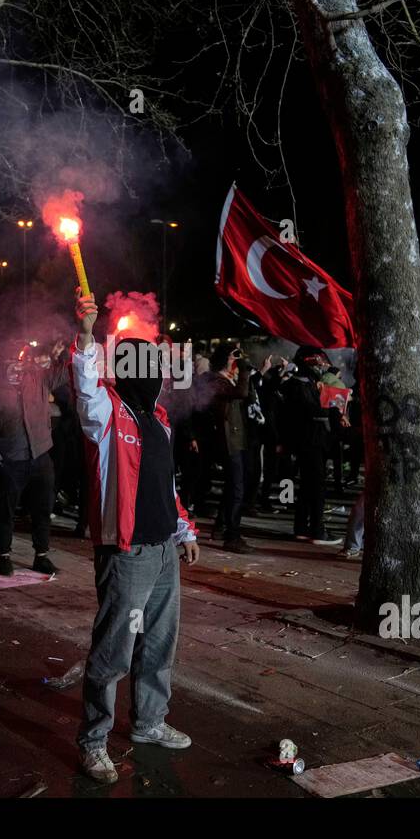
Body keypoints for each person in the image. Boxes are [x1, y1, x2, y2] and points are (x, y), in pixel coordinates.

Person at [71, 291, 199, 785]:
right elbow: (85, 386)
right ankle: (94, 742)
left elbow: (166, 488)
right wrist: (85, 336)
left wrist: (183, 530)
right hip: (126, 555)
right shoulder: (107, 416)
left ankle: (148, 723)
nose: (160, 377)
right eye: (152, 368)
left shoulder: (160, 421)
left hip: (163, 551)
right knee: (114, 651)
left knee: (158, 643)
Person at [0, 340, 70, 577]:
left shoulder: (38, 379)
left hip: (40, 456)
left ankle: (41, 555)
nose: (17, 367)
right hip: (10, 461)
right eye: (12, 362)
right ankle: (4, 555)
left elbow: (67, 370)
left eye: (21, 361)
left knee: (42, 508)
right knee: (5, 510)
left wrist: (74, 346)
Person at [283, 346, 341, 544]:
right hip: (309, 440)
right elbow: (313, 411)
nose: (321, 365)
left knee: (308, 486)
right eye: (317, 361)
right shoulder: (300, 384)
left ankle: (302, 527)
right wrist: (332, 406)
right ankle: (317, 530)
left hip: (310, 439)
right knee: (316, 486)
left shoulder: (307, 383)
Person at [205, 342, 253, 553]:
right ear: (226, 357)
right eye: (235, 354)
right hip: (227, 440)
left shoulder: (228, 379)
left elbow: (247, 395)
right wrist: (244, 369)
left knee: (233, 485)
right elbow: (241, 393)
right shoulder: (215, 380)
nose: (239, 357)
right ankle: (232, 534)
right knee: (236, 487)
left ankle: (221, 525)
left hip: (236, 437)